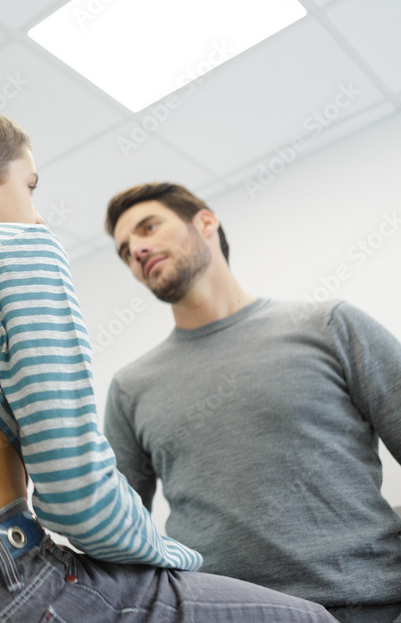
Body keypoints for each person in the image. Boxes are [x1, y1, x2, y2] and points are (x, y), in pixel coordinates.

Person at [0, 98, 335, 622]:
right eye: (29, 186)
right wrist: (179, 559)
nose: (37, 213)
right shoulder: (16, 245)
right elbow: (76, 493)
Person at [103, 182, 401, 623]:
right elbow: (117, 534)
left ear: (205, 223)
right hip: (222, 615)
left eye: (149, 228)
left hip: (370, 608)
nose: (138, 251)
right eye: (126, 251)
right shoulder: (130, 387)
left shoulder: (329, 326)